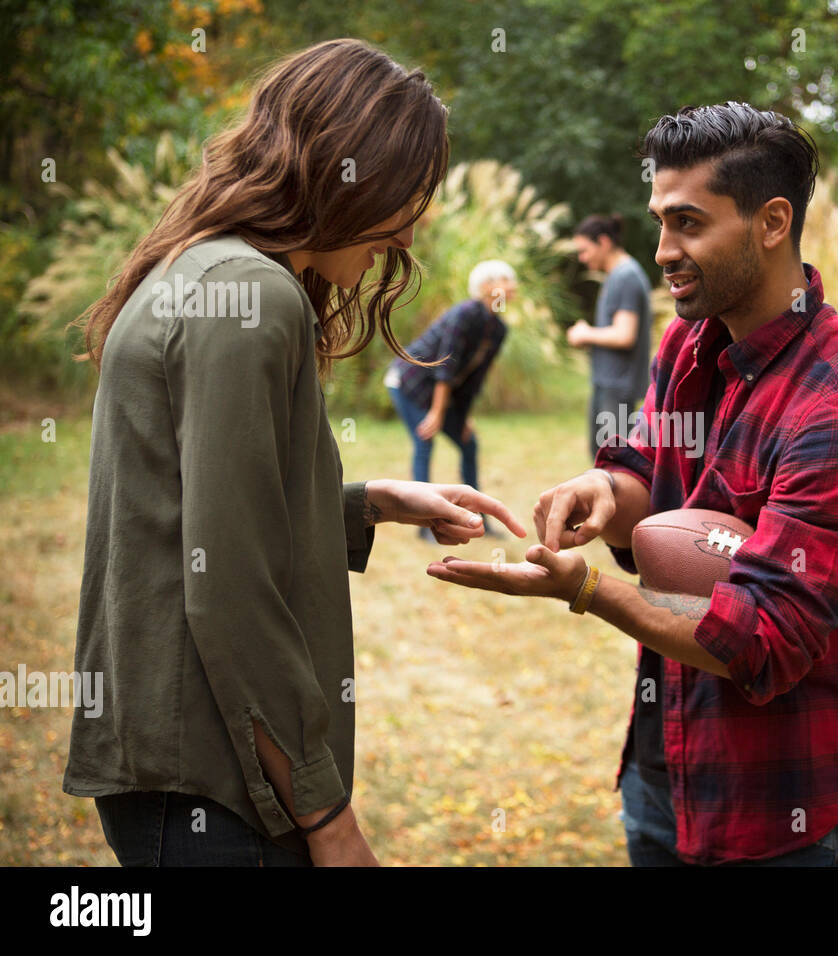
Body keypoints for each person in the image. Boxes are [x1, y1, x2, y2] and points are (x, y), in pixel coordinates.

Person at [62, 39, 526, 868]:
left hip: (182, 775)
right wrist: (328, 817)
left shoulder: (201, 270)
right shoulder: (254, 299)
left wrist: (371, 501)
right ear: (347, 169)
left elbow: (192, 514)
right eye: (404, 199)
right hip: (215, 785)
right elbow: (227, 585)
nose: (408, 231)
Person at [426, 102, 838, 866]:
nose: (663, 250)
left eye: (688, 223)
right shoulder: (688, 342)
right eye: (659, 221)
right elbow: (646, 470)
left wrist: (587, 591)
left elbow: (766, 639)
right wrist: (603, 492)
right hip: (662, 777)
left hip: (773, 814)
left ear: (772, 222)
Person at [384, 260, 516, 540]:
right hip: (410, 383)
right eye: (504, 279)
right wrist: (436, 413)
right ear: (484, 288)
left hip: (439, 394)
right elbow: (446, 366)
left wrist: (462, 416)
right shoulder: (466, 313)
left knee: (469, 443)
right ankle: (424, 527)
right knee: (425, 441)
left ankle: (478, 520)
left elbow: (473, 380)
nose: (512, 285)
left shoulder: (498, 329)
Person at [568, 214, 653, 460]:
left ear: (603, 242)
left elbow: (624, 335)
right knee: (600, 455)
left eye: (585, 251)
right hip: (609, 383)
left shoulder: (626, 276)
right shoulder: (618, 275)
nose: (582, 258)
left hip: (618, 386)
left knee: (613, 460)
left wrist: (585, 333)